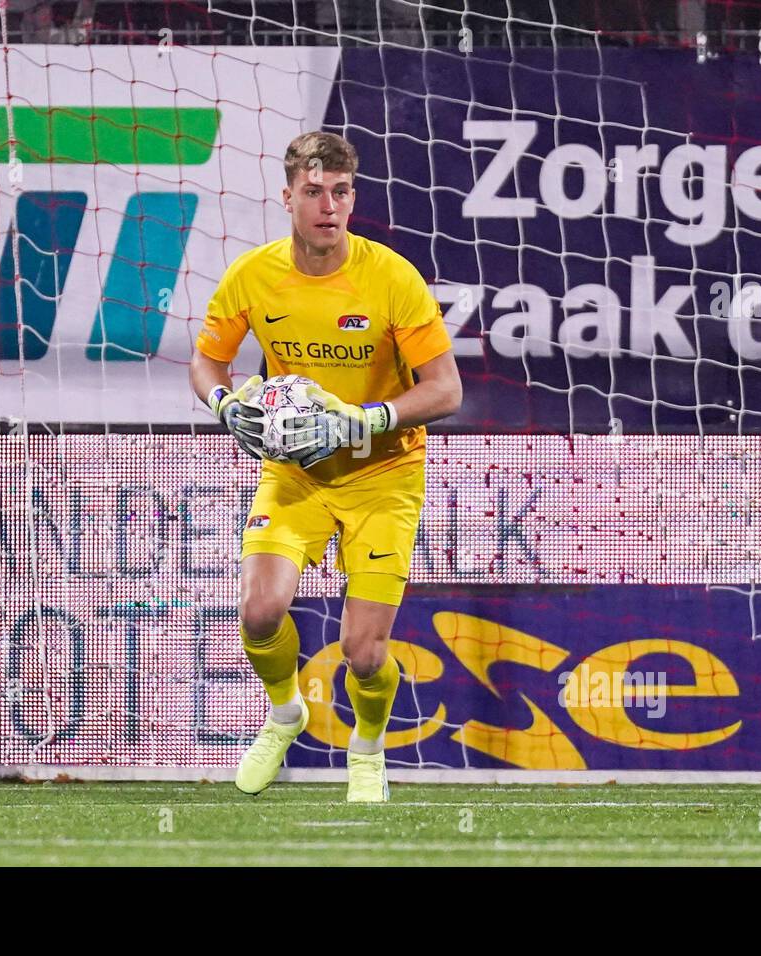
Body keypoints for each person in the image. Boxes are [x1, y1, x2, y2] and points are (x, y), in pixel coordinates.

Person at [189, 131, 462, 802]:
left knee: (364, 655)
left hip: (383, 476)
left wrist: (369, 418)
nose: (328, 206)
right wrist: (225, 403)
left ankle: (367, 750)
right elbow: (206, 362)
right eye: (314, 192)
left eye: (340, 192)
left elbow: (447, 390)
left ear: (352, 198)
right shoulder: (254, 275)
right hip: (297, 473)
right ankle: (286, 713)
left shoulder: (392, 277)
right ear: (288, 198)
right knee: (258, 611)